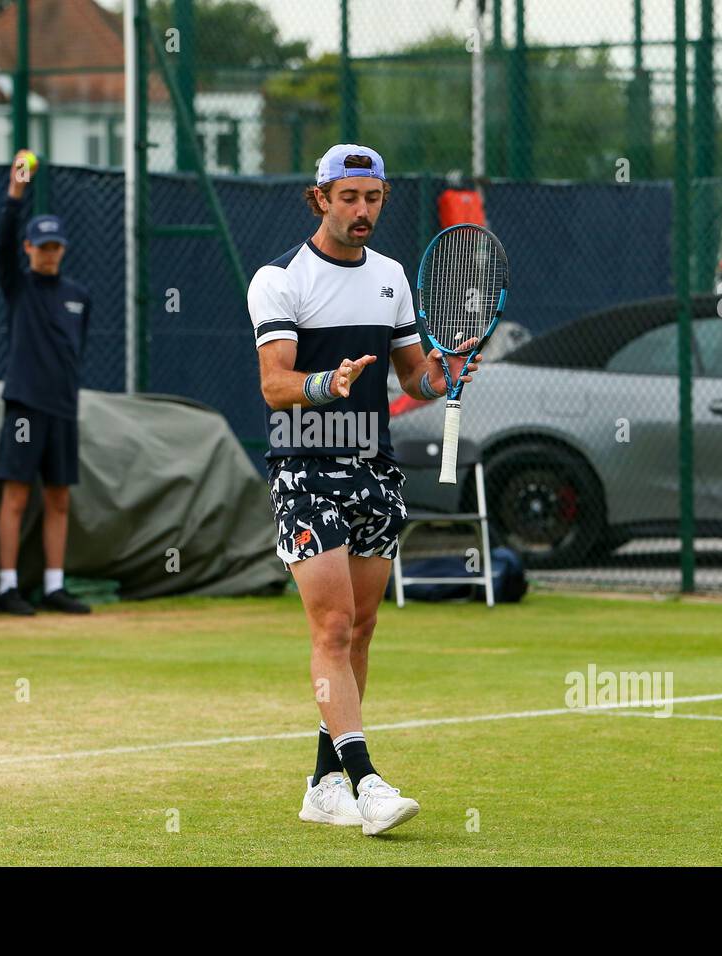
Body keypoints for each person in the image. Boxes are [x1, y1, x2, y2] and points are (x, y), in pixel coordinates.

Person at [249, 143, 479, 835]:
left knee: (363, 628)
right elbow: (274, 385)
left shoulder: (391, 277)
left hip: (373, 470)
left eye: (372, 198)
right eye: (347, 197)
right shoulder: (279, 279)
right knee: (334, 625)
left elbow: (413, 380)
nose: (361, 210)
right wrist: (327, 384)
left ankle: (323, 785)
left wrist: (447, 372)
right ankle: (367, 782)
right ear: (319, 198)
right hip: (304, 466)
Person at [0, 150, 92, 616]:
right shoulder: (19, 285)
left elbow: (78, 349)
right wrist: (16, 195)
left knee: (59, 497)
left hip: (63, 409)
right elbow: (1, 242)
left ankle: (54, 586)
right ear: (29, 249)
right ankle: (6, 587)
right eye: (42, 247)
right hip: (24, 406)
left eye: (56, 247)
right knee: (15, 494)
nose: (49, 254)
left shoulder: (78, 296)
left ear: (63, 250)